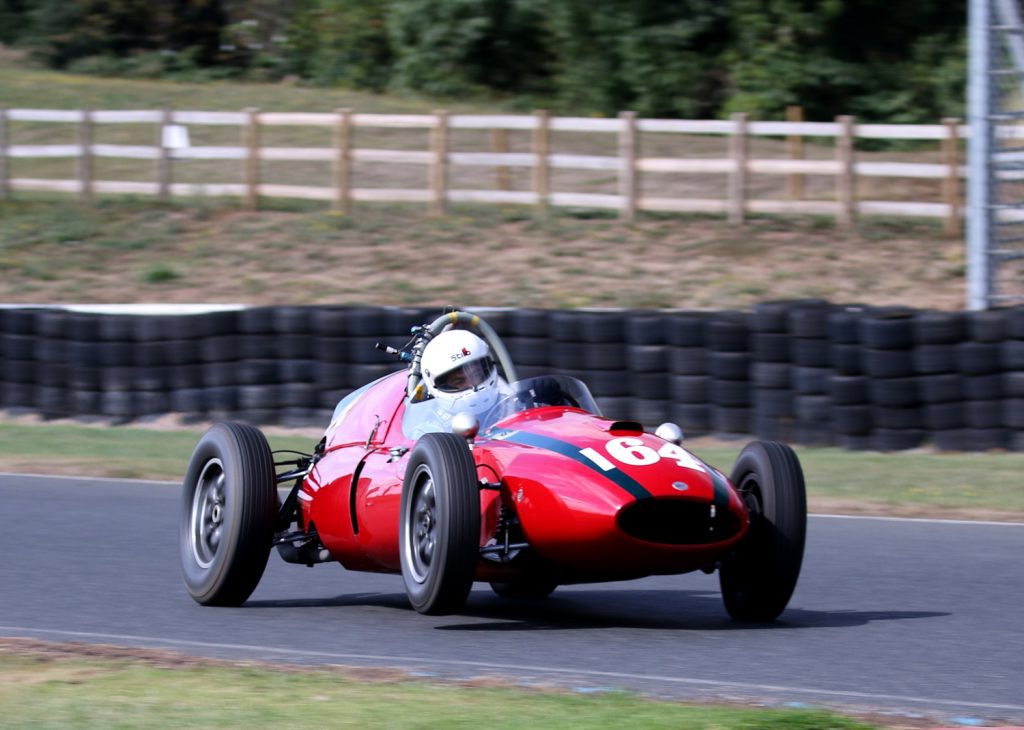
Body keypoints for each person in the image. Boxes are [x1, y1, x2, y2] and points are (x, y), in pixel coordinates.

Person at [418, 329, 512, 425]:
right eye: (459, 381)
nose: (472, 384)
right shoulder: (429, 426)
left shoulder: (507, 400)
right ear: (440, 385)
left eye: (476, 374)